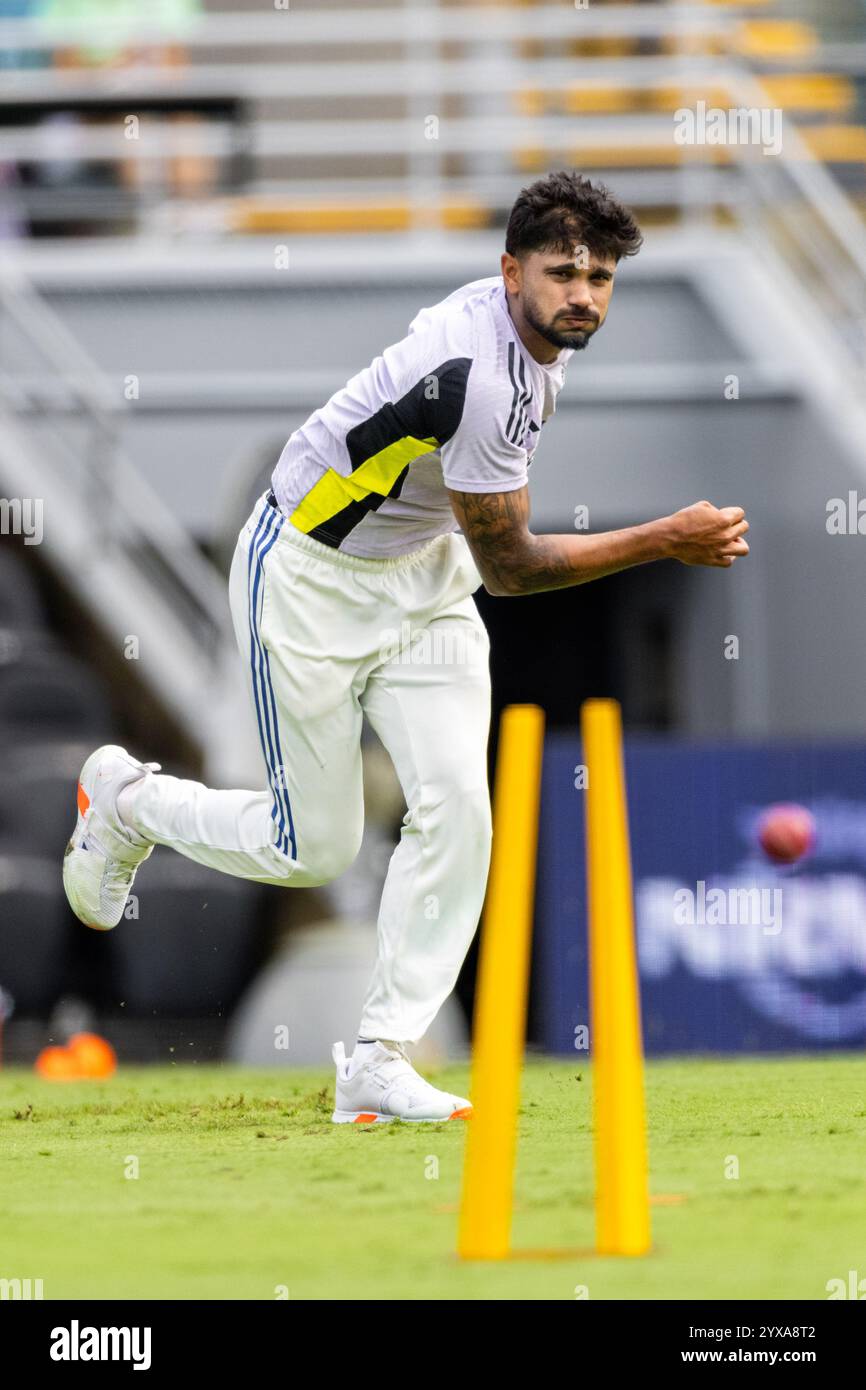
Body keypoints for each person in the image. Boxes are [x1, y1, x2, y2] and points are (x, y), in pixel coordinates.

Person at [63, 170, 749, 1122]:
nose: (584, 296)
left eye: (601, 278)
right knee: (316, 848)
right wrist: (663, 538)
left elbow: (479, 547)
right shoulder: (478, 377)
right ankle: (130, 803)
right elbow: (512, 569)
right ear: (510, 273)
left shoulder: (535, 338)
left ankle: (379, 1058)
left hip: (422, 578)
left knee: (461, 807)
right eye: (563, 274)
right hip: (308, 576)